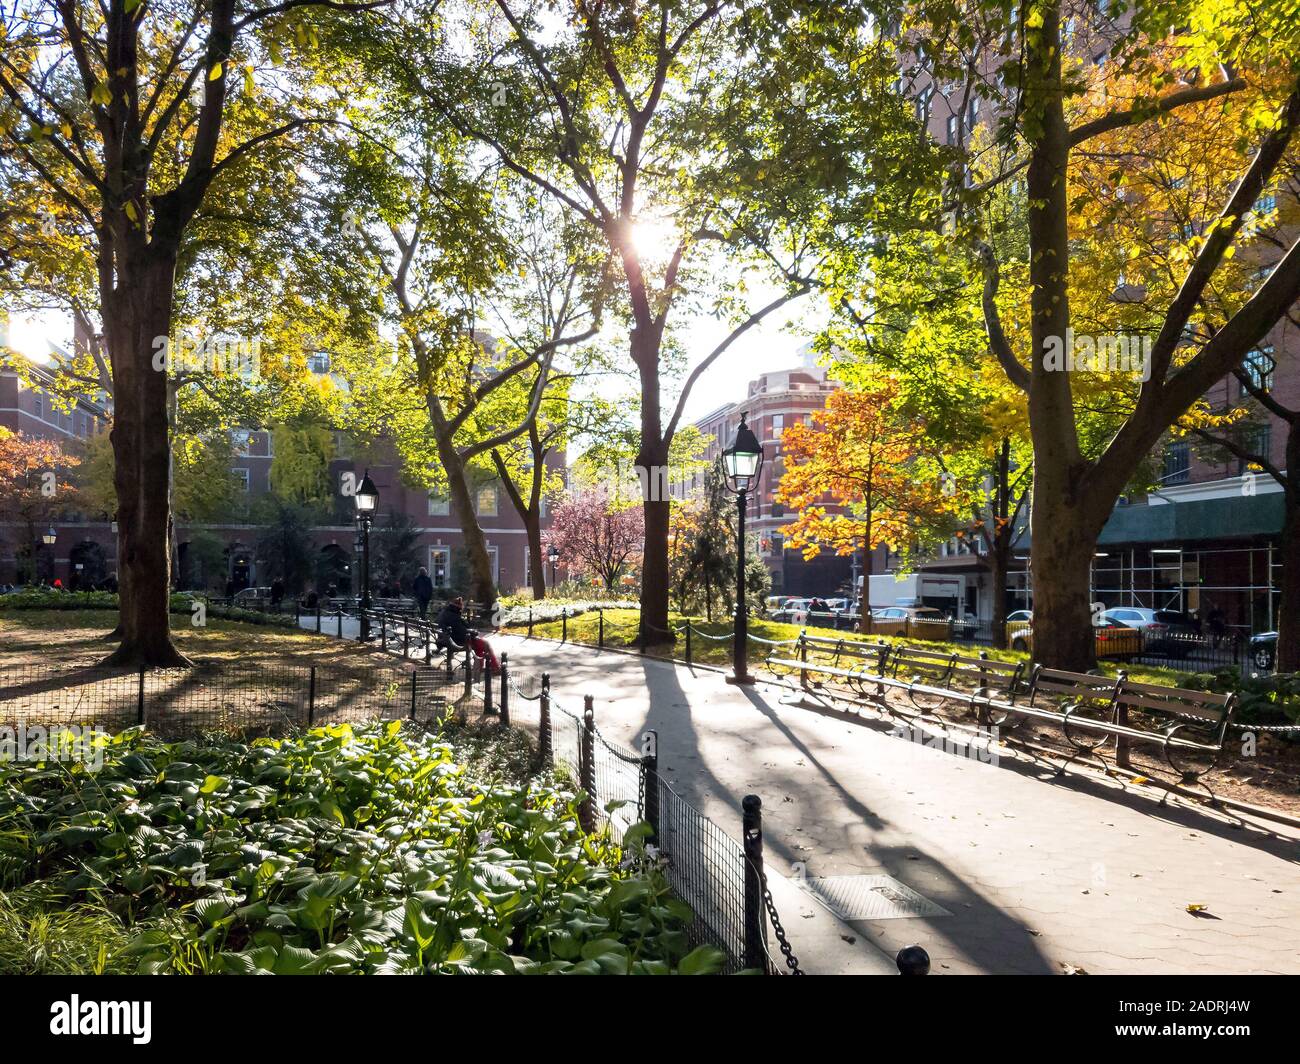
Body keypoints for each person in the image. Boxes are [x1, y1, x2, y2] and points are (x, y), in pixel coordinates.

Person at [437, 595, 499, 673]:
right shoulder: (453, 616)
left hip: (445, 639)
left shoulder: (445, 613)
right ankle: (495, 668)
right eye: (461, 607)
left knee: (479, 645)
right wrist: (473, 632)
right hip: (456, 641)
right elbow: (461, 632)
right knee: (486, 644)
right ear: (458, 606)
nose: (462, 609)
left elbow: (459, 629)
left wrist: (470, 631)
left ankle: (479, 668)